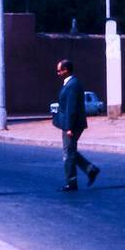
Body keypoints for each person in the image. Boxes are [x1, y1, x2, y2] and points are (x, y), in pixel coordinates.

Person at [52, 59, 99, 192]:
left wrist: (69, 127)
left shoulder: (72, 85)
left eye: (59, 70)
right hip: (69, 124)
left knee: (68, 153)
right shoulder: (70, 83)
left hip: (72, 125)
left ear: (66, 70)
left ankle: (71, 183)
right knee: (70, 150)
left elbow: (71, 108)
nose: (58, 73)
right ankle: (91, 170)